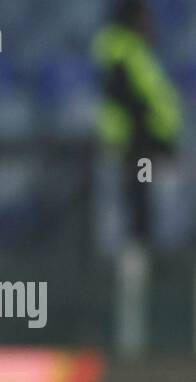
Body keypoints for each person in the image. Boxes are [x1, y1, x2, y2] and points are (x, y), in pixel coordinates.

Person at [93, 0, 182, 242]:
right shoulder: (121, 52)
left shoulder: (135, 51)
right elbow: (132, 104)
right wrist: (152, 142)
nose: (151, 21)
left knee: (143, 208)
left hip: (143, 146)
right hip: (136, 147)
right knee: (135, 210)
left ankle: (143, 261)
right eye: (144, 15)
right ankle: (136, 266)